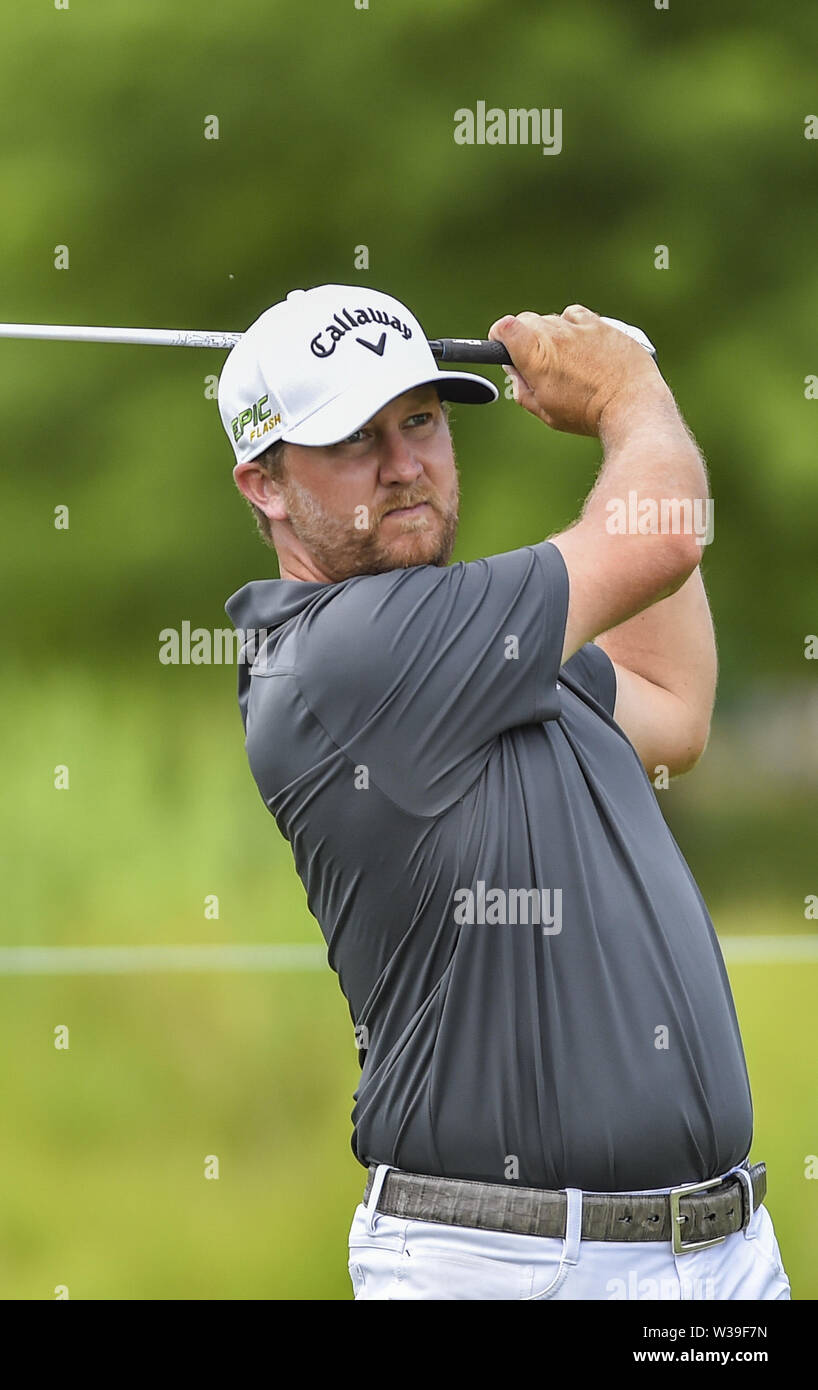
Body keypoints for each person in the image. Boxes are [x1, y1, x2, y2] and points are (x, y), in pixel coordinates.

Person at [218, 284, 790, 1300]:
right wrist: (627, 391)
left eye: (422, 421)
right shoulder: (347, 653)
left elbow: (670, 703)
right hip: (510, 1263)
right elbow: (663, 535)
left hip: (714, 1253)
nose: (404, 465)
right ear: (264, 485)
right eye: (355, 439)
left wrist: (625, 414)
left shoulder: (473, 642)